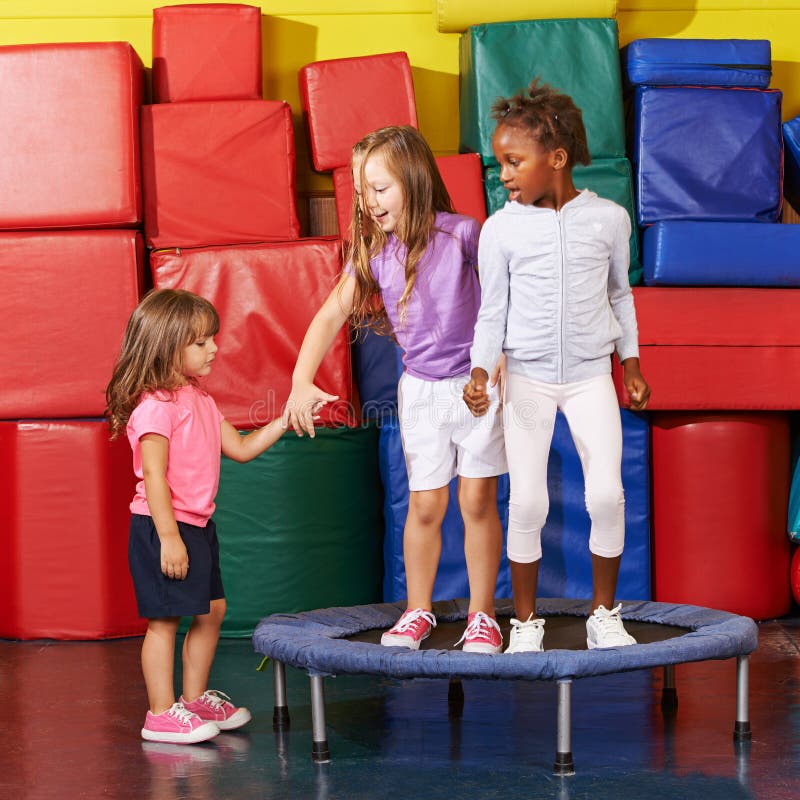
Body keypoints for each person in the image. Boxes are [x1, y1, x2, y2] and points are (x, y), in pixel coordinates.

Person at [283, 125, 507, 653]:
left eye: (379, 188)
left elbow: (504, 293)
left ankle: (483, 615)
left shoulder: (463, 234)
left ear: (413, 178)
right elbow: (328, 316)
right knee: (425, 507)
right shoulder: (373, 256)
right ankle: (417, 610)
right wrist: (299, 382)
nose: (369, 202)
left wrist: (501, 354)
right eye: (362, 192)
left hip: (474, 385)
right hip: (423, 394)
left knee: (477, 500)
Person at [464, 79, 651, 654]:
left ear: (558, 158)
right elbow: (491, 310)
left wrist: (631, 364)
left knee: (606, 496)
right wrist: (478, 372)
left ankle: (604, 615)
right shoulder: (500, 230)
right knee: (526, 501)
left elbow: (621, 296)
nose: (505, 175)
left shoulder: (610, 220)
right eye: (500, 164)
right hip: (526, 377)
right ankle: (524, 623)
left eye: (514, 162)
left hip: (592, 375)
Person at [106, 288, 285, 743]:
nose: (214, 349)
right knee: (165, 620)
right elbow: (154, 475)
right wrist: (168, 537)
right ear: (168, 346)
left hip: (198, 525)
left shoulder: (200, 400)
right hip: (162, 525)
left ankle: (194, 698)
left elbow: (241, 449)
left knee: (212, 611)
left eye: (213, 339)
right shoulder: (155, 409)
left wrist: (286, 419)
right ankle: (160, 713)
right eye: (202, 342)